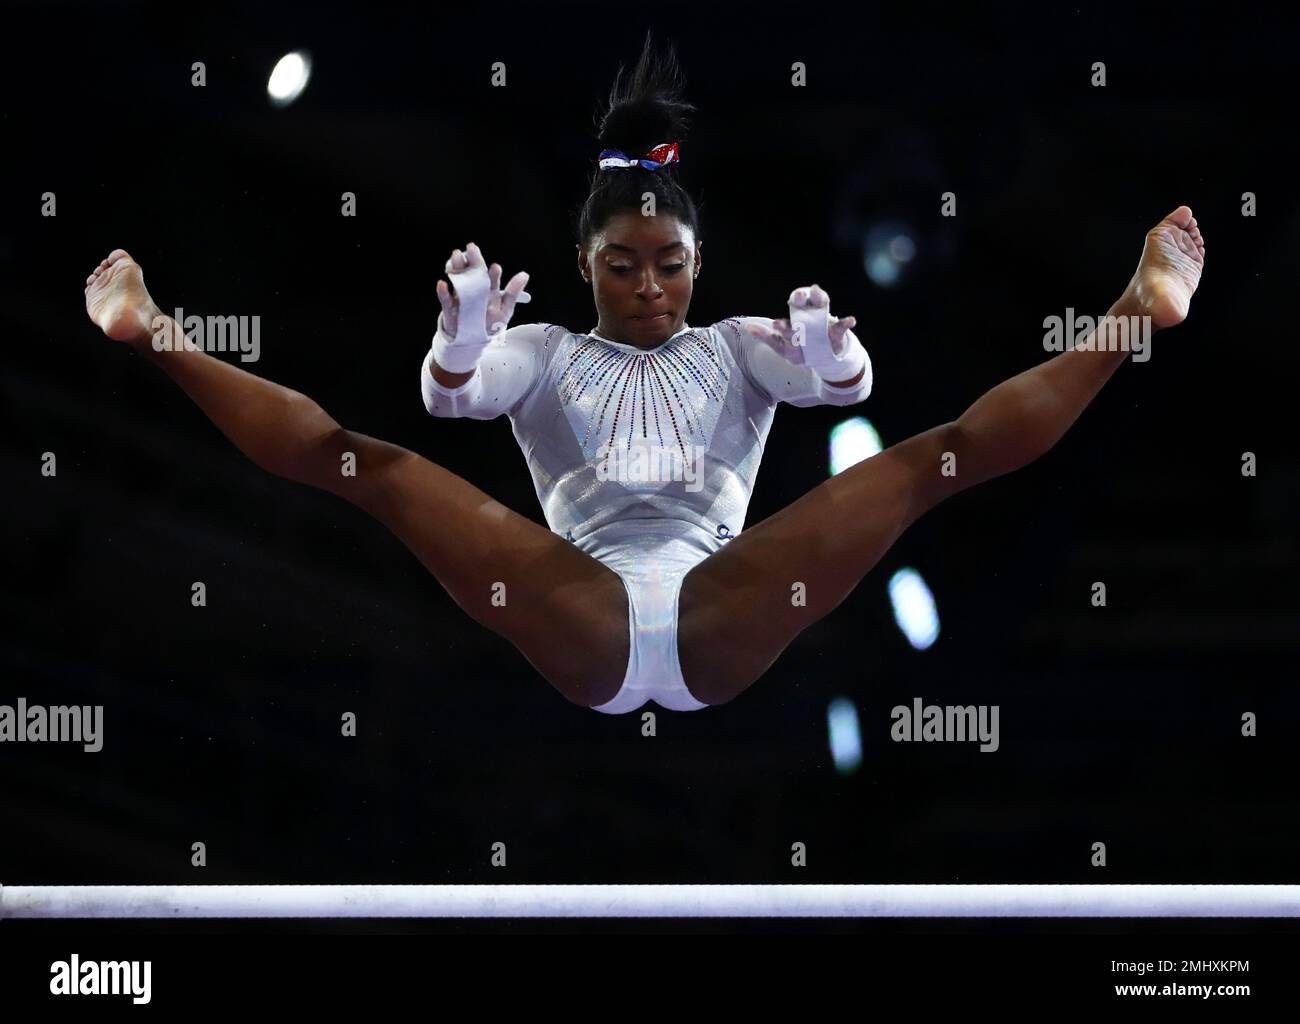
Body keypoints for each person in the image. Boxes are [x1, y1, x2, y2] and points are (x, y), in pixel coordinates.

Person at [82, 37, 1205, 715]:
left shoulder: (736, 343)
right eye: (622, 267)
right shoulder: (548, 353)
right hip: (587, 619)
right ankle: (154, 331)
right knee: (366, 467)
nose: (649, 287)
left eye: (669, 267)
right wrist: (467, 335)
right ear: (585, 264)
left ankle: (1129, 313)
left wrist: (823, 350)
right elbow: (448, 395)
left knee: (927, 463)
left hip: (721, 614)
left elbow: (850, 386)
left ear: (698, 263)